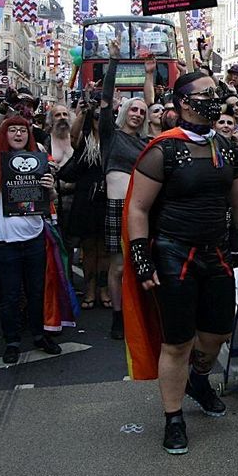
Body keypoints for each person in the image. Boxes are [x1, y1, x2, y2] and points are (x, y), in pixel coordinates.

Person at [124, 71, 238, 456]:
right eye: (206, 94)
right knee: (178, 342)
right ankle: (173, 418)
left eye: (216, 92)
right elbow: (137, 206)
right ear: (184, 102)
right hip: (173, 253)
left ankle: (198, 380)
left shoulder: (228, 148)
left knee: (217, 334)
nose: (215, 98)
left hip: (215, 252)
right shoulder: (162, 150)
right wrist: (140, 257)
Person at [0, 112, 59, 364]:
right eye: (12, 130)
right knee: (10, 295)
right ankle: (11, 341)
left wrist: (51, 188)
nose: (18, 134)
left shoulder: (39, 160)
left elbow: (52, 200)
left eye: (23, 130)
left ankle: (39, 335)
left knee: (36, 292)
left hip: (34, 237)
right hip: (4, 242)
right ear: (5, 134)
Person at [99, 52, 153, 339]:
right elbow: (105, 101)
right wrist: (114, 62)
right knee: (118, 266)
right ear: (125, 112)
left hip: (140, 207)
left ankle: (140, 313)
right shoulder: (110, 133)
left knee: (141, 261)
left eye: (142, 112)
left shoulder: (145, 141)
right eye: (134, 109)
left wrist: (148, 75)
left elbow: (155, 105)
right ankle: (118, 317)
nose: (138, 114)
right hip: (115, 205)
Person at [63, 96, 109, 309]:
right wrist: (83, 110)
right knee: (89, 248)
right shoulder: (85, 141)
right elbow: (72, 136)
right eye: (96, 116)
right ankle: (90, 290)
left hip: (108, 199)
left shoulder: (114, 140)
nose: (100, 120)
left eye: (103, 116)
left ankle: (104, 289)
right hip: (87, 200)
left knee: (106, 249)